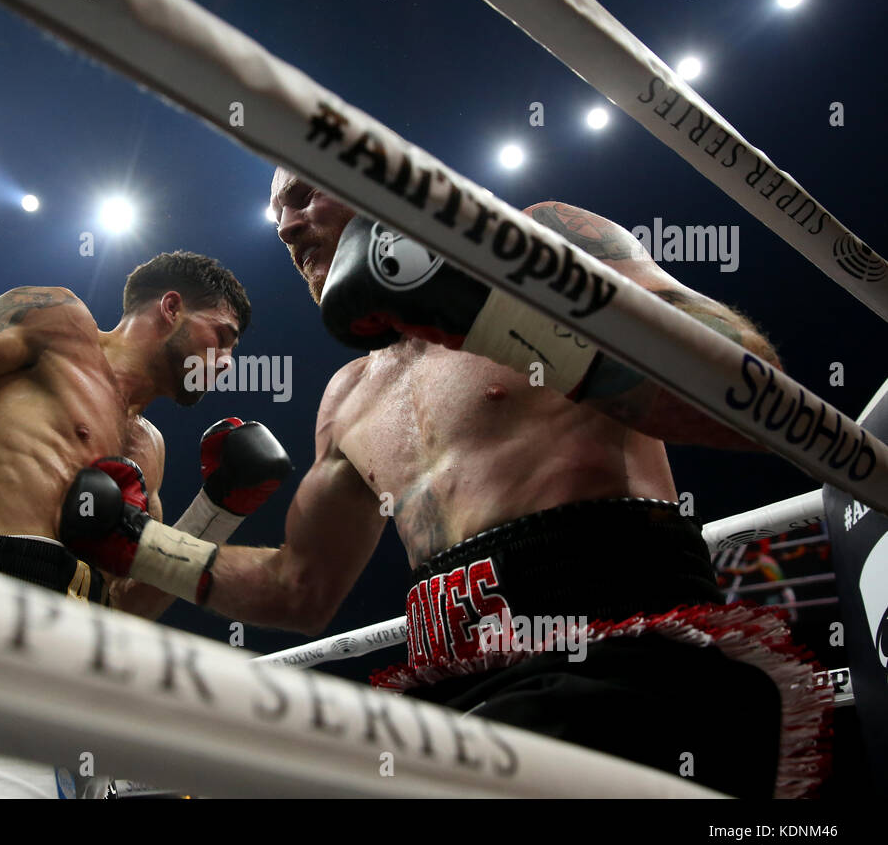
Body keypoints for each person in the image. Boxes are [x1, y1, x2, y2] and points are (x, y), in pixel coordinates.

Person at [61, 170, 829, 799]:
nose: (288, 228)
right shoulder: (346, 397)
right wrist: (137, 544)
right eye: (275, 217)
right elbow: (300, 588)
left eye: (302, 196)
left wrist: (488, 314)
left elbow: (751, 393)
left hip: (620, 665)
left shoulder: (535, 242)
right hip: (462, 697)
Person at [0, 168, 285, 798]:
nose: (228, 362)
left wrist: (219, 509)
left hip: (82, 667)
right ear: (172, 308)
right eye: (223, 336)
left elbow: (131, 603)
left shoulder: (149, 450)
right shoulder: (56, 325)